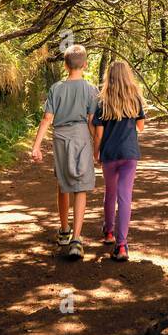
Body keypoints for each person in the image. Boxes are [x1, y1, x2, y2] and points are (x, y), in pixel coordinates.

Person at [30, 44, 98, 260]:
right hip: (81, 137)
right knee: (81, 187)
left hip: (60, 137)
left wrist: (36, 145)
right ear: (85, 65)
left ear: (65, 65)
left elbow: (47, 119)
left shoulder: (56, 88)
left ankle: (64, 230)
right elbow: (91, 122)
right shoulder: (91, 90)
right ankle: (77, 239)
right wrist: (97, 147)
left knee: (63, 183)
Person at [93, 60, 147, 262]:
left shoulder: (102, 101)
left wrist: (96, 153)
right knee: (125, 197)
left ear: (109, 77)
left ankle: (108, 233)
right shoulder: (135, 99)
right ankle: (122, 246)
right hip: (130, 154)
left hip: (109, 154)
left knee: (110, 193)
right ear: (128, 76)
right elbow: (140, 127)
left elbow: (98, 133)